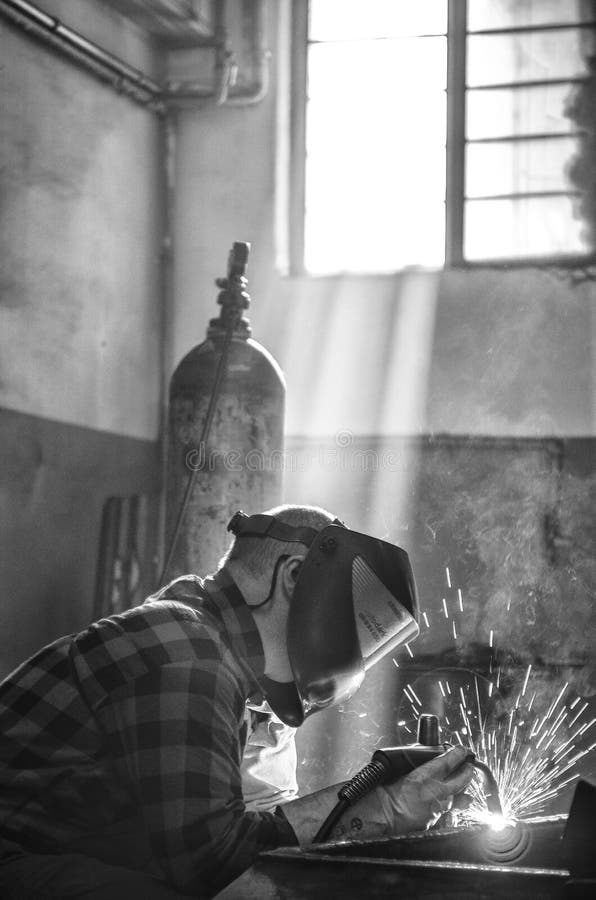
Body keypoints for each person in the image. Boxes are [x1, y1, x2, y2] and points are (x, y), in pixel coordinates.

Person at [0, 505, 473, 898]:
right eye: (351, 631)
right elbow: (213, 864)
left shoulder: (216, 654)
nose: (352, 658)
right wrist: (385, 808)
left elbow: (263, 826)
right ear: (293, 576)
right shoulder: (188, 653)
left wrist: (379, 807)